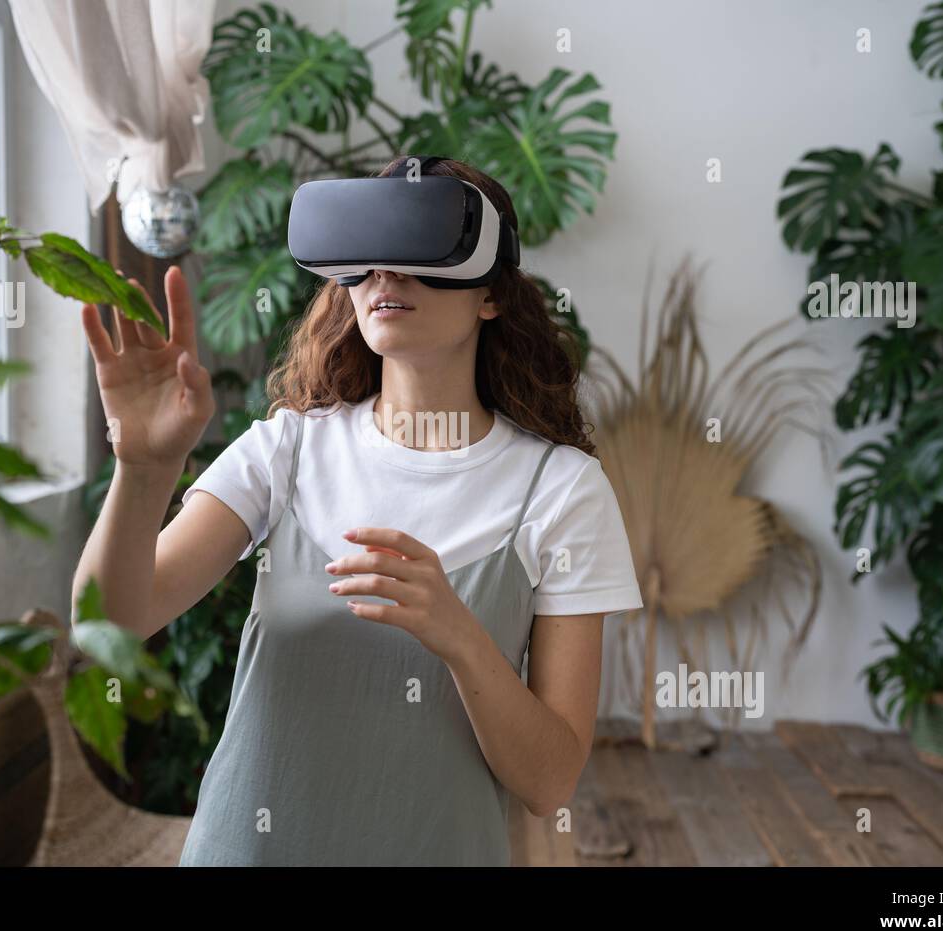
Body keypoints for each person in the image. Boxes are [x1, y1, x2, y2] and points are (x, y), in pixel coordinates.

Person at [71, 156, 642, 866]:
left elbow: (550, 782)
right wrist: (143, 467)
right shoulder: (288, 451)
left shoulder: (560, 491)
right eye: (366, 255)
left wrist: (460, 636)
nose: (385, 272)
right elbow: (108, 624)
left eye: (419, 247)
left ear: (490, 295)